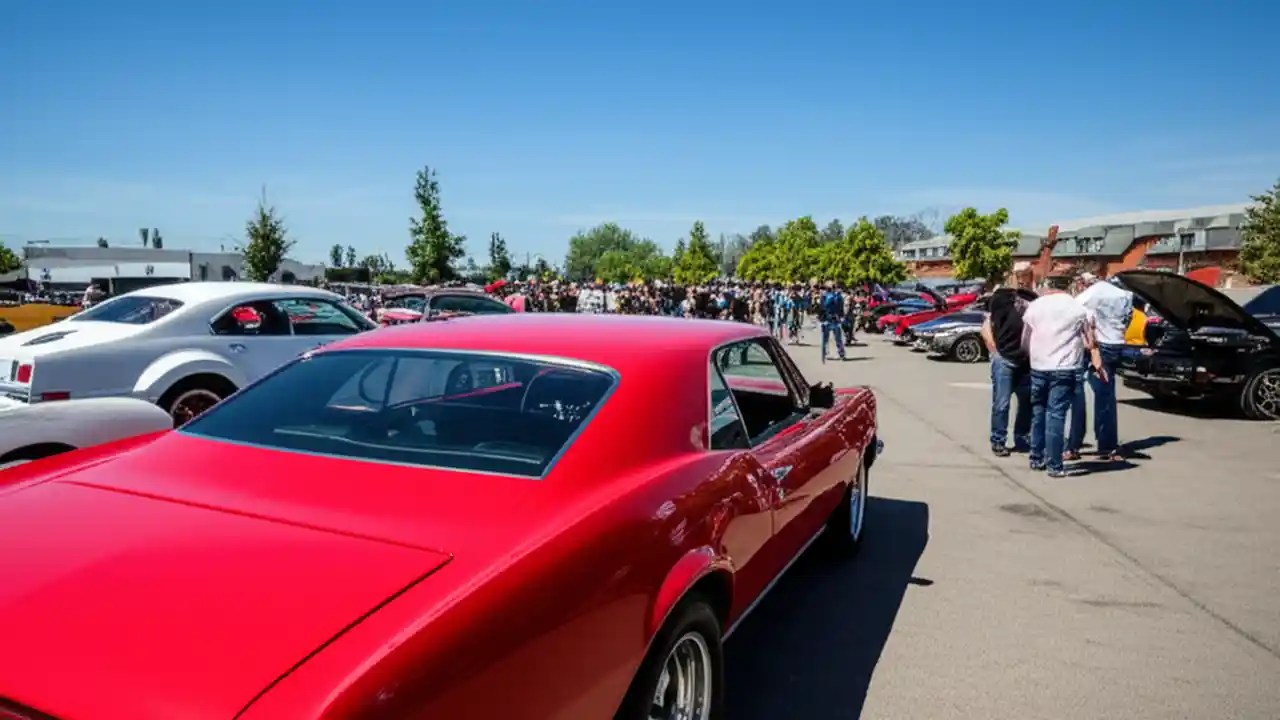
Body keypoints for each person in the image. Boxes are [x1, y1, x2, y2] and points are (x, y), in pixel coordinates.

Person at [1021, 286, 1105, 478]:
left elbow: (1025, 339)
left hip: (1039, 366)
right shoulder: (1077, 308)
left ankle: (1036, 457)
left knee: (1038, 411)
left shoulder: (1034, 306)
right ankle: (1054, 465)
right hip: (1064, 367)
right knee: (1056, 415)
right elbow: (1089, 342)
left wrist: (1032, 354)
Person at [1074, 273, 1132, 461]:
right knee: (1106, 396)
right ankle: (1106, 444)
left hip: (1097, 346)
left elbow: (1075, 311)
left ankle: (1073, 443)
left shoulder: (1094, 293)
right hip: (1117, 344)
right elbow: (1128, 320)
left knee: (1077, 392)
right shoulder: (1125, 295)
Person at [982, 288, 1033, 456]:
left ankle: (1022, 437)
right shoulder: (1001, 299)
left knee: (1027, 403)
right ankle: (998, 440)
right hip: (1005, 358)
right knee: (1002, 404)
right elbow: (987, 326)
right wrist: (994, 350)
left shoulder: (1033, 299)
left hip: (1026, 360)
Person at [818, 281, 847, 362]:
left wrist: (821, 317)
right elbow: (841, 308)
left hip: (827, 318)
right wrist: (841, 316)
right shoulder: (838, 296)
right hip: (836, 318)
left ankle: (825, 353)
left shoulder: (825, 296)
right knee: (838, 338)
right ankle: (841, 353)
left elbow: (822, 308)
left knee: (825, 337)